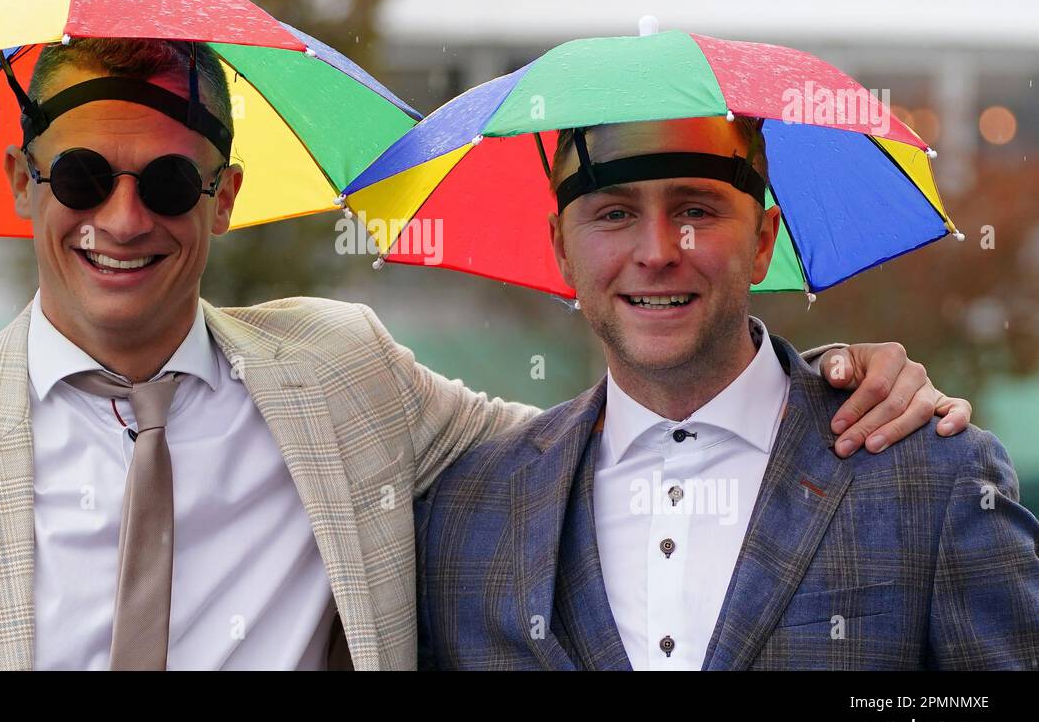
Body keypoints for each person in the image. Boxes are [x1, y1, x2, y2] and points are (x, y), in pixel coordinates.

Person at [0, 39, 972, 670]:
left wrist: (825, 384)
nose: (122, 218)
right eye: (80, 175)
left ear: (221, 198)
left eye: (167, 180)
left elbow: (606, 442)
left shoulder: (342, 374)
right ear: (24, 185)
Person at [415, 115, 1039, 670]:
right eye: (614, 213)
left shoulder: (936, 476)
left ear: (764, 241)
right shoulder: (466, 508)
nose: (658, 252)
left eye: (696, 211)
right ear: (561, 250)